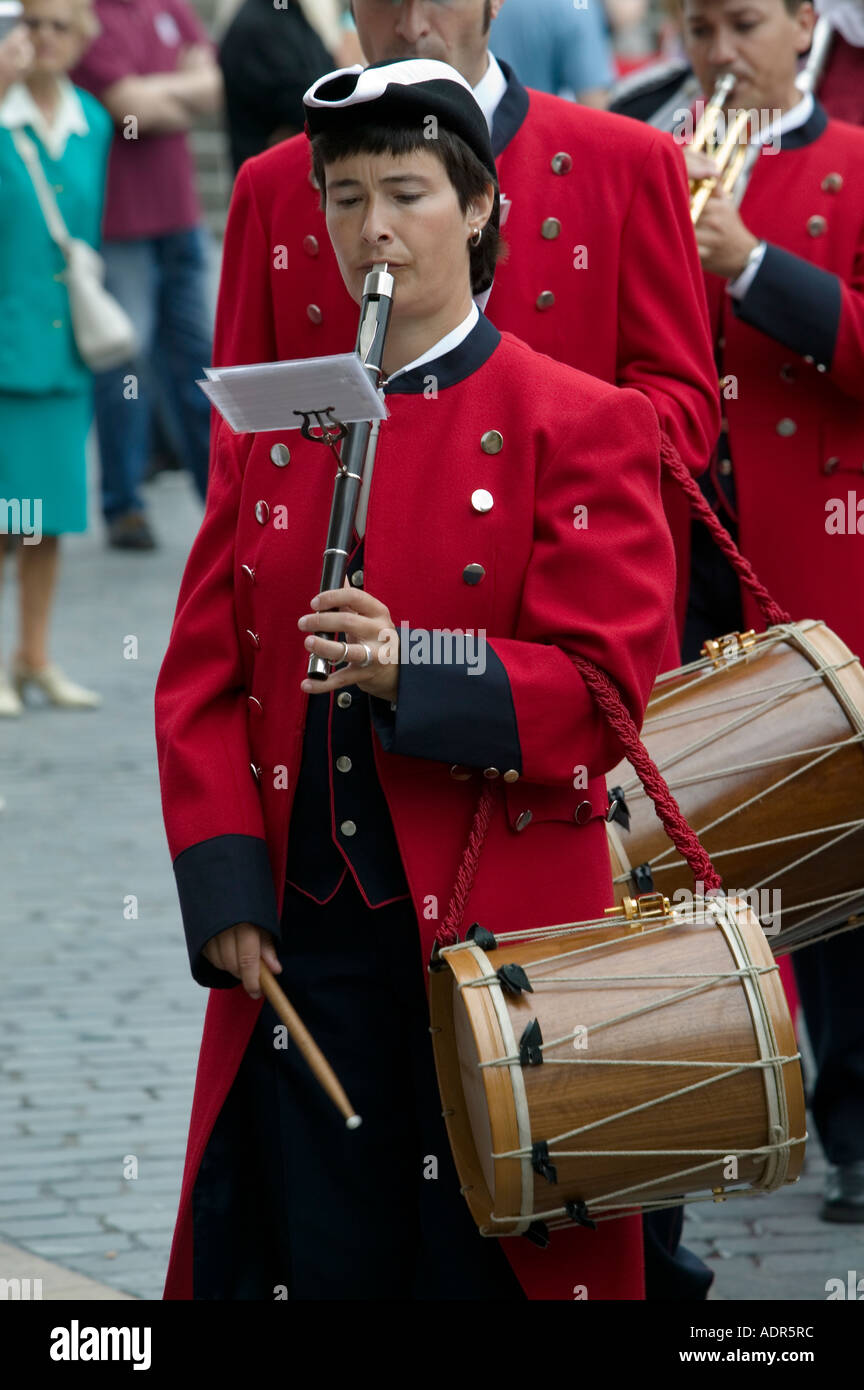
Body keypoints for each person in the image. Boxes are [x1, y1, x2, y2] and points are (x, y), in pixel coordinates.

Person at [155, 57, 677, 1300]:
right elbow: (199, 678)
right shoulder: (273, 426)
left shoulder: (580, 417)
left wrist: (414, 665)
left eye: (406, 192)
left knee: (487, 1268)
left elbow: (607, 690)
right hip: (308, 932)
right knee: (319, 1254)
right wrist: (226, 884)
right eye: (343, 199)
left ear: (481, 206)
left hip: (497, 946)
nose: (370, 229)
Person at [211, 0, 720, 679]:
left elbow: (686, 407)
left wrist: (556, 454)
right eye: (386, 0)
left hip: (564, 620)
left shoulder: (628, 159)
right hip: (323, 631)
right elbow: (240, 431)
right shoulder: (271, 183)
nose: (414, 22)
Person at [676, 0, 864, 1224]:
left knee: (830, 843)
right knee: (696, 846)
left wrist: (747, 261)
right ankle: (712, 1100)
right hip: (688, 544)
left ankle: (853, 1120)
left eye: (744, 21)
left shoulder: (857, 160)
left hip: (817, 545)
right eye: (696, 28)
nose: (719, 50)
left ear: (805, 23)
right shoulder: (650, 155)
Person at [69, 0, 222, 550]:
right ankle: (123, 503)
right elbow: (131, 107)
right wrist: (179, 88)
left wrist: (154, 95)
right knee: (125, 362)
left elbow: (211, 88)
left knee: (201, 361)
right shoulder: (86, 16)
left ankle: (220, 504)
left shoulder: (170, 7)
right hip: (121, 221)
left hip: (179, 217)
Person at [0, 0, 110, 716]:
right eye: (27, 21)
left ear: (80, 39)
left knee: (51, 520)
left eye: (54, 26)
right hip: (6, 348)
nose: (37, 37)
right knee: (6, 519)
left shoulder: (95, 123)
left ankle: (34, 657)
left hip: (66, 347)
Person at [218, 0, 333, 174]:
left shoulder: (289, 13)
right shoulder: (256, 25)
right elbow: (307, 107)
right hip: (272, 183)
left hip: (302, 175)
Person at [489, 0, 616, 106]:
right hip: (537, 128)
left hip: (479, 127)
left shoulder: (480, 5)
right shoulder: (577, 7)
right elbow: (594, 101)